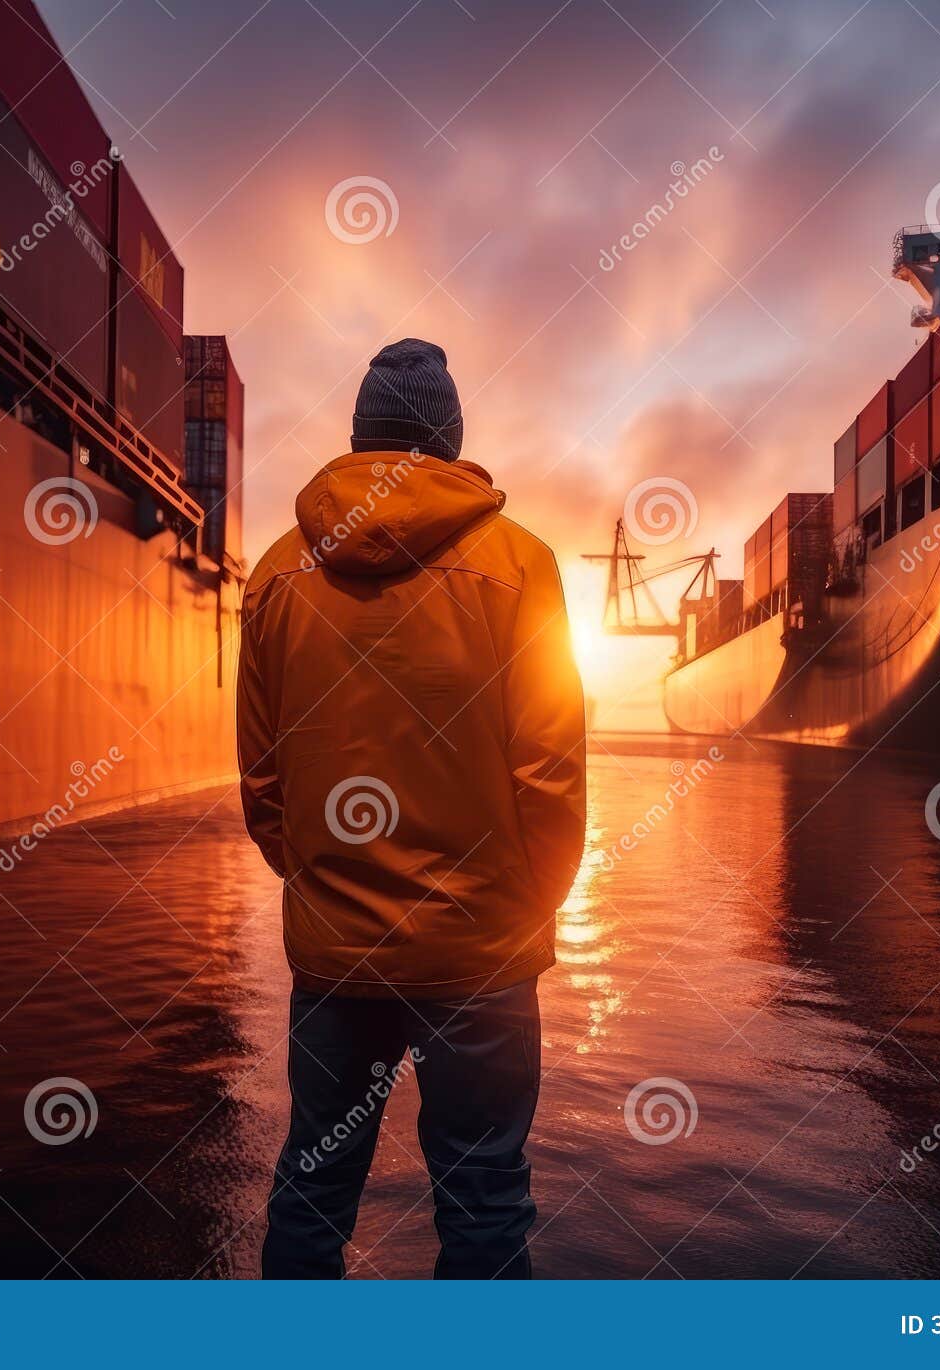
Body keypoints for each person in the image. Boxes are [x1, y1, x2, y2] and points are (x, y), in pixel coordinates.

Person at [236, 338, 587, 1279]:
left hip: (334, 950)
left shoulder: (273, 576)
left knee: (313, 1189)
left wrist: (326, 886)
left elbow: (263, 786)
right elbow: (549, 771)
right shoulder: (522, 566)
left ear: (361, 435)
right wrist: (522, 904)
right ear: (449, 437)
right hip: (480, 951)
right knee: (483, 1201)